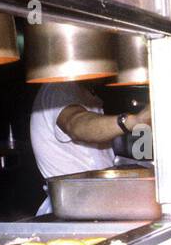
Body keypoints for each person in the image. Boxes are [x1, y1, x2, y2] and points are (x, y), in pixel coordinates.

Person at [29, 82, 150, 215]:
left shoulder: (82, 91)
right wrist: (136, 121)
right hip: (72, 209)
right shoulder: (59, 88)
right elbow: (76, 124)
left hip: (91, 205)